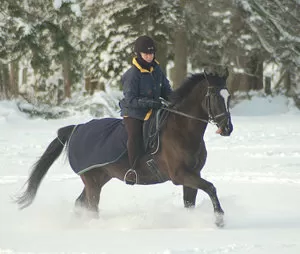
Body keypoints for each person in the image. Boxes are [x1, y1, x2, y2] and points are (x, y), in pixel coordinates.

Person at [119, 35, 172, 185]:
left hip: (152, 110)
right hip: (133, 113)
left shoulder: (157, 70)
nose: (149, 56)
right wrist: (150, 103)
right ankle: (133, 170)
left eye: (151, 53)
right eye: (146, 54)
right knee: (135, 136)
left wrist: (175, 100)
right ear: (139, 54)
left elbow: (166, 90)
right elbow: (130, 99)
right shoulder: (133, 74)